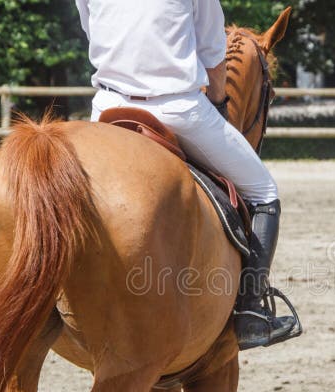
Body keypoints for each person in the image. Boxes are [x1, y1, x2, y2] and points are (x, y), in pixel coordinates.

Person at [74, 0, 295, 349]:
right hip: (177, 109)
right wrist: (220, 103)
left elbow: (93, 33)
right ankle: (252, 311)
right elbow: (212, 54)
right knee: (264, 191)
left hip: (107, 105)